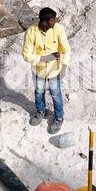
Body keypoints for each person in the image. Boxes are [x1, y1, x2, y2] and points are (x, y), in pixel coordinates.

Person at [22, 7, 70, 135]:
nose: (55, 22)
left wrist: (64, 66)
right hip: (39, 70)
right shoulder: (31, 32)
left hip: (55, 70)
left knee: (55, 94)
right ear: (44, 22)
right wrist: (46, 57)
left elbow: (66, 50)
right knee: (39, 92)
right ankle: (40, 112)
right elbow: (26, 55)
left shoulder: (58, 29)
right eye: (53, 20)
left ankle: (59, 117)